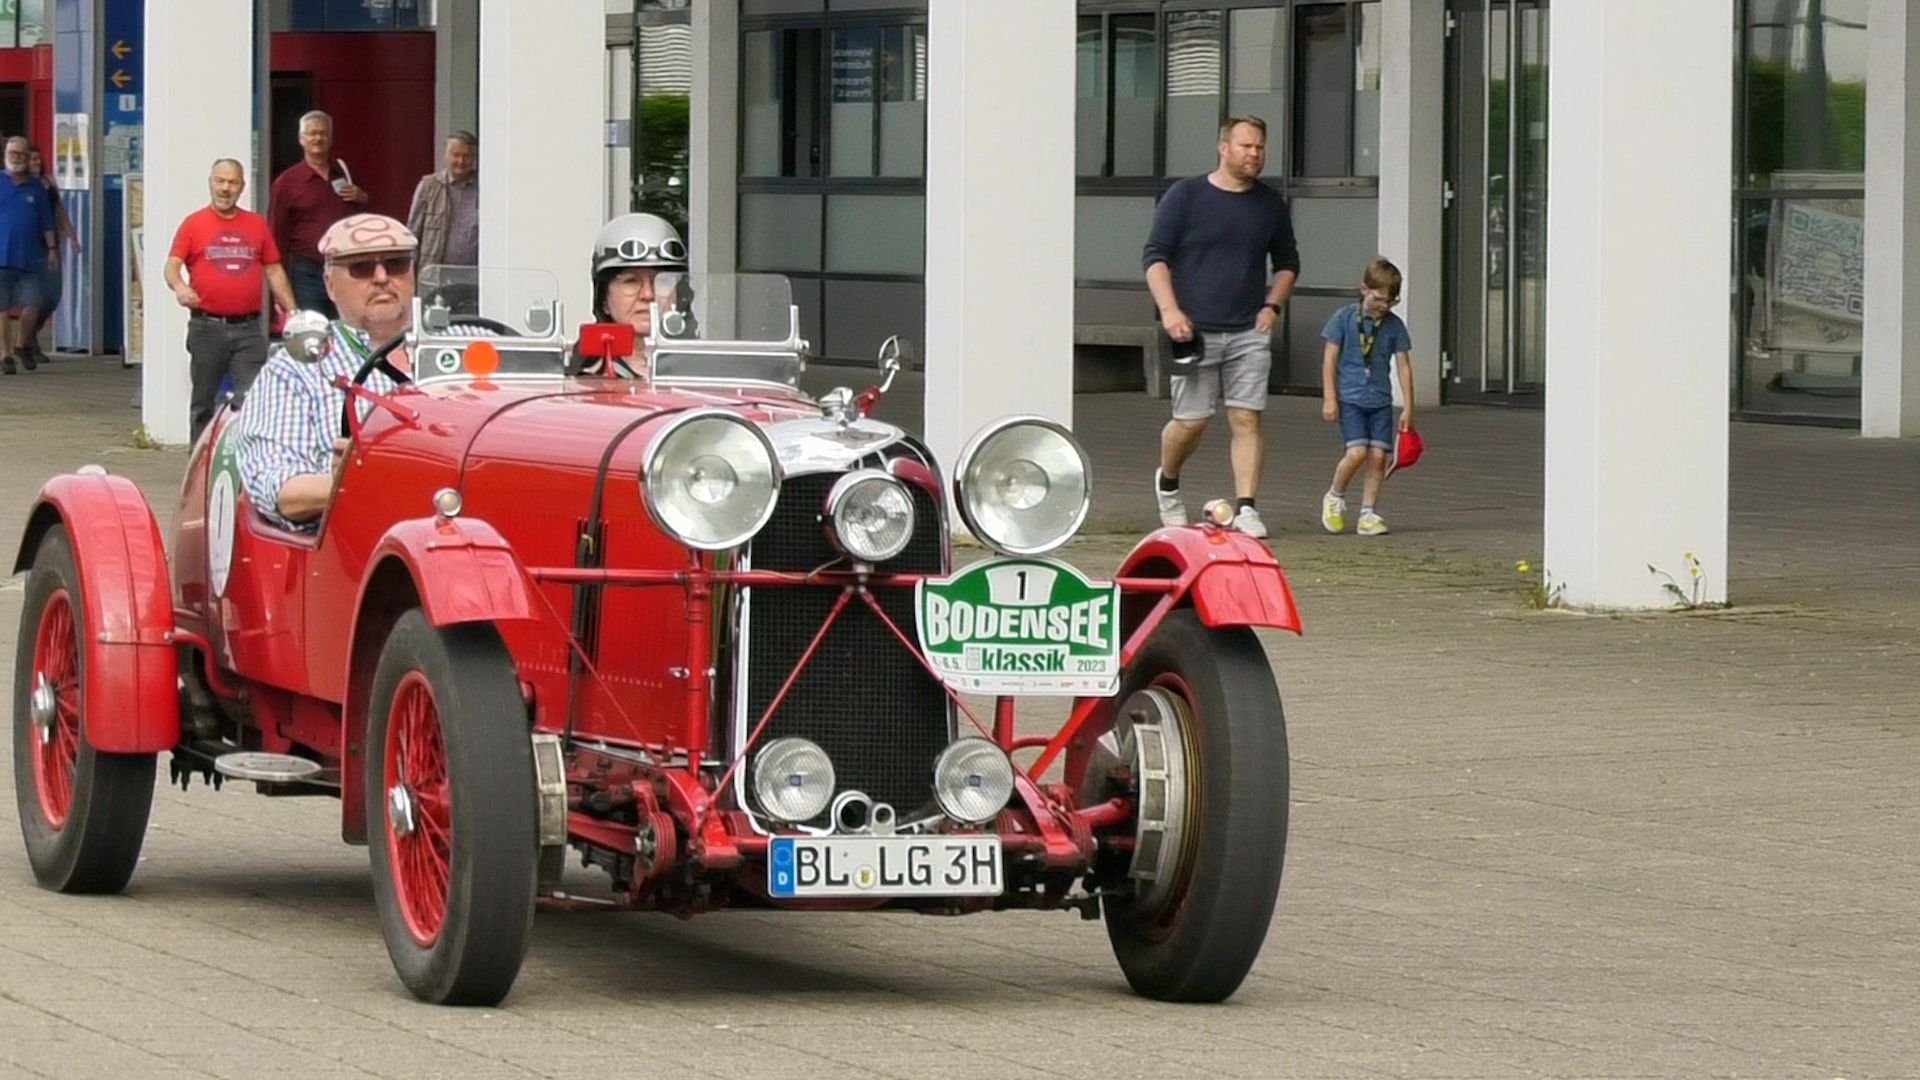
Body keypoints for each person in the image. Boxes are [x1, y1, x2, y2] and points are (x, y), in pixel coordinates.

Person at [1141, 115, 1299, 540]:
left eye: (1260, 147)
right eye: (1246, 146)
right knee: (1191, 421)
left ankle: (1246, 507)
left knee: (1246, 419)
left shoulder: (1269, 204)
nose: (1255, 154)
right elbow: (1155, 258)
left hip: (1249, 330)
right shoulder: (1186, 196)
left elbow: (1287, 263)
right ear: (1223, 148)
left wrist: (1272, 306)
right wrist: (1170, 311)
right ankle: (1168, 482)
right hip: (1193, 331)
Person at [236, 214, 416, 530]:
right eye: (361, 267)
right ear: (330, 285)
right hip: (355, 539)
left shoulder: (469, 344)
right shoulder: (300, 364)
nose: (381, 277)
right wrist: (358, 477)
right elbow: (278, 488)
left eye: (396, 264)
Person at [164, 158, 299, 444]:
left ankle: (246, 459)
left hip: (249, 329)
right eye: (220, 181)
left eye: (233, 182)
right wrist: (180, 287)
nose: (225, 188)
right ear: (211, 183)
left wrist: (294, 313)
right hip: (207, 327)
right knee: (203, 403)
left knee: (252, 399)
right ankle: (199, 464)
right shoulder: (193, 224)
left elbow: (274, 270)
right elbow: (172, 265)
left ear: (242, 187)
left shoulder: (256, 224)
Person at [1319, 258, 1415, 537]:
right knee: (1357, 452)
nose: (1384, 306)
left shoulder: (1394, 326)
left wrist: (1409, 407)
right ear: (1364, 289)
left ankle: (1368, 512)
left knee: (1377, 456)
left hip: (1380, 401)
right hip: (1351, 399)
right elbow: (1329, 359)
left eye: (1391, 301)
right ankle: (1335, 495)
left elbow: (1404, 366)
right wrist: (1329, 397)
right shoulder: (1343, 318)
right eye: (1379, 299)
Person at [268, 110, 369, 318]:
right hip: (306, 272)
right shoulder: (287, 182)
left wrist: (363, 199)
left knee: (346, 328)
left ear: (330, 138)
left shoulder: (343, 172)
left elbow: (359, 221)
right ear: (301, 139)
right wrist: (279, 287)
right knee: (313, 329)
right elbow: (276, 235)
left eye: (323, 133)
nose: (318, 138)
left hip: (343, 267)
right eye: (312, 133)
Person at [579, 212, 687, 376]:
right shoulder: (581, 374)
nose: (648, 294)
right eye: (631, 281)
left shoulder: (700, 367)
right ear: (604, 300)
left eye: (662, 281)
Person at [0, 136, 55, 376]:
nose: (16, 158)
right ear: (5, 155)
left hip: (31, 257)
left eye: (20, 154)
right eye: (12, 153)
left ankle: (21, 344)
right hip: (2, 256)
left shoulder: (36, 187)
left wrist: (53, 250)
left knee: (34, 303)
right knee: (2, 308)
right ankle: (4, 356)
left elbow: (47, 221)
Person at [25, 145, 78, 364]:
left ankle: (30, 332)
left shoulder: (48, 182)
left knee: (52, 295)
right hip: (31, 243)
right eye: (32, 159)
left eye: (38, 159)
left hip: (51, 243)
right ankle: (29, 341)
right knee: (34, 295)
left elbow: (59, 210)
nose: (36, 163)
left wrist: (71, 235)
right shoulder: (22, 186)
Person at [407, 131, 478, 269]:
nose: (461, 161)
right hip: (434, 273)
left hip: (474, 274)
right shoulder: (429, 186)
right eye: (456, 155)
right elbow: (413, 232)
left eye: (467, 156)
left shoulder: (484, 188)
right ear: (446, 156)